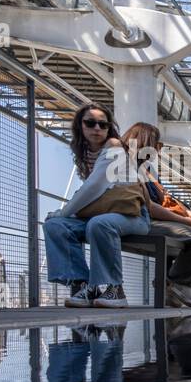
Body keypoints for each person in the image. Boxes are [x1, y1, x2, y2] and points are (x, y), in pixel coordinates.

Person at [44, 104, 150, 308]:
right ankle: (85, 286)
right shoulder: (85, 152)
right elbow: (93, 195)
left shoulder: (114, 146)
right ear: (80, 126)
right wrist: (62, 217)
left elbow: (95, 186)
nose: (97, 128)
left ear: (109, 128)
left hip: (133, 215)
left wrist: (63, 211)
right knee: (55, 226)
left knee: (99, 224)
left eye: (103, 124)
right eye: (90, 123)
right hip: (104, 212)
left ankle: (115, 289)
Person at [130, 124, 191, 309]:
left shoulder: (146, 172)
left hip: (155, 219)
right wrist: (185, 220)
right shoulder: (131, 168)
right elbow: (150, 207)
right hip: (144, 221)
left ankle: (186, 284)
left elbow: (162, 202)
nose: (158, 150)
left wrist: (187, 218)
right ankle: (178, 283)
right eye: (157, 144)